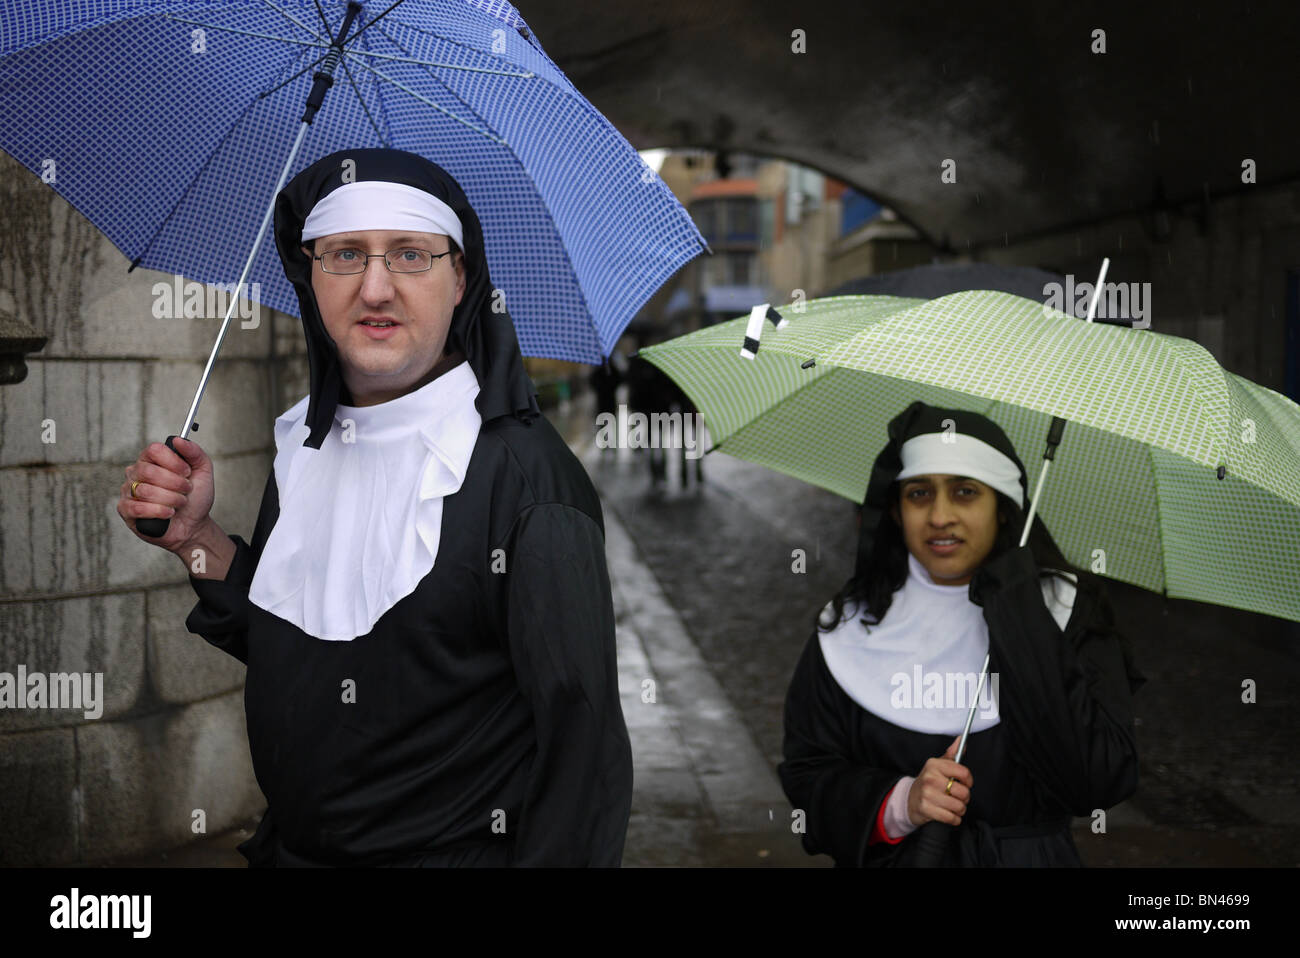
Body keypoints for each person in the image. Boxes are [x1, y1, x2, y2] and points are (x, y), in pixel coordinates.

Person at [116, 148, 633, 867]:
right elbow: (291, 644)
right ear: (309, 277)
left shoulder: (527, 483)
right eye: (345, 254)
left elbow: (584, 755)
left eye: (411, 255)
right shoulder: (307, 443)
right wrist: (196, 539)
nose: (376, 289)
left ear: (461, 280)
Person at [777, 401, 1145, 866]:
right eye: (918, 494)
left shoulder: (1068, 611)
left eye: (966, 492)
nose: (939, 516)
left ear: (1004, 509)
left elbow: (1098, 781)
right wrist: (900, 803)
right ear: (895, 511)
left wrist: (1018, 611)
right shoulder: (850, 624)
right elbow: (808, 776)